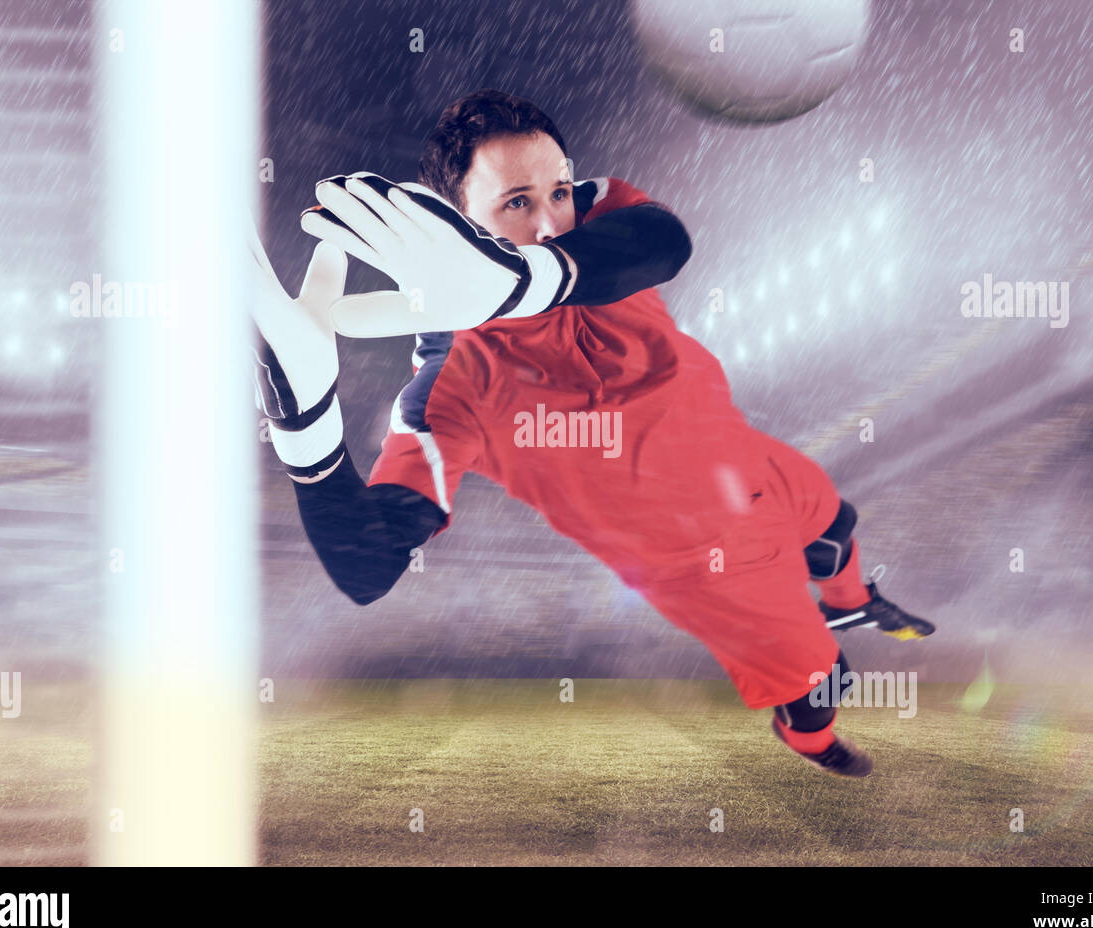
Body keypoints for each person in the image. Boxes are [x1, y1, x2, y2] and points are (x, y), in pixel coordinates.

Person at [248, 89, 935, 778]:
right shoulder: (453, 389)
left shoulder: (592, 230)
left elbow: (667, 241)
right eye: (515, 202)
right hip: (703, 562)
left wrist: (522, 277)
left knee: (835, 527)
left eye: (558, 190)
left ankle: (855, 604)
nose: (551, 220)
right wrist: (307, 427)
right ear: (459, 225)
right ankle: (808, 736)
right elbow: (366, 570)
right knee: (826, 686)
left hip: (747, 457)